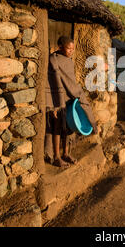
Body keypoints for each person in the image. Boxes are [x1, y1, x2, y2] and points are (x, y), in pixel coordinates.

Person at [45, 36, 98, 167]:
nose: (71, 51)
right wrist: (54, 105)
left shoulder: (69, 61)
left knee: (68, 127)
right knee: (56, 127)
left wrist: (75, 95)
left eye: (72, 49)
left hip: (69, 98)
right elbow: (52, 82)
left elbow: (70, 81)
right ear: (60, 47)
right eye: (69, 48)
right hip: (56, 99)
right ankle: (56, 156)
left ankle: (66, 153)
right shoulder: (53, 60)